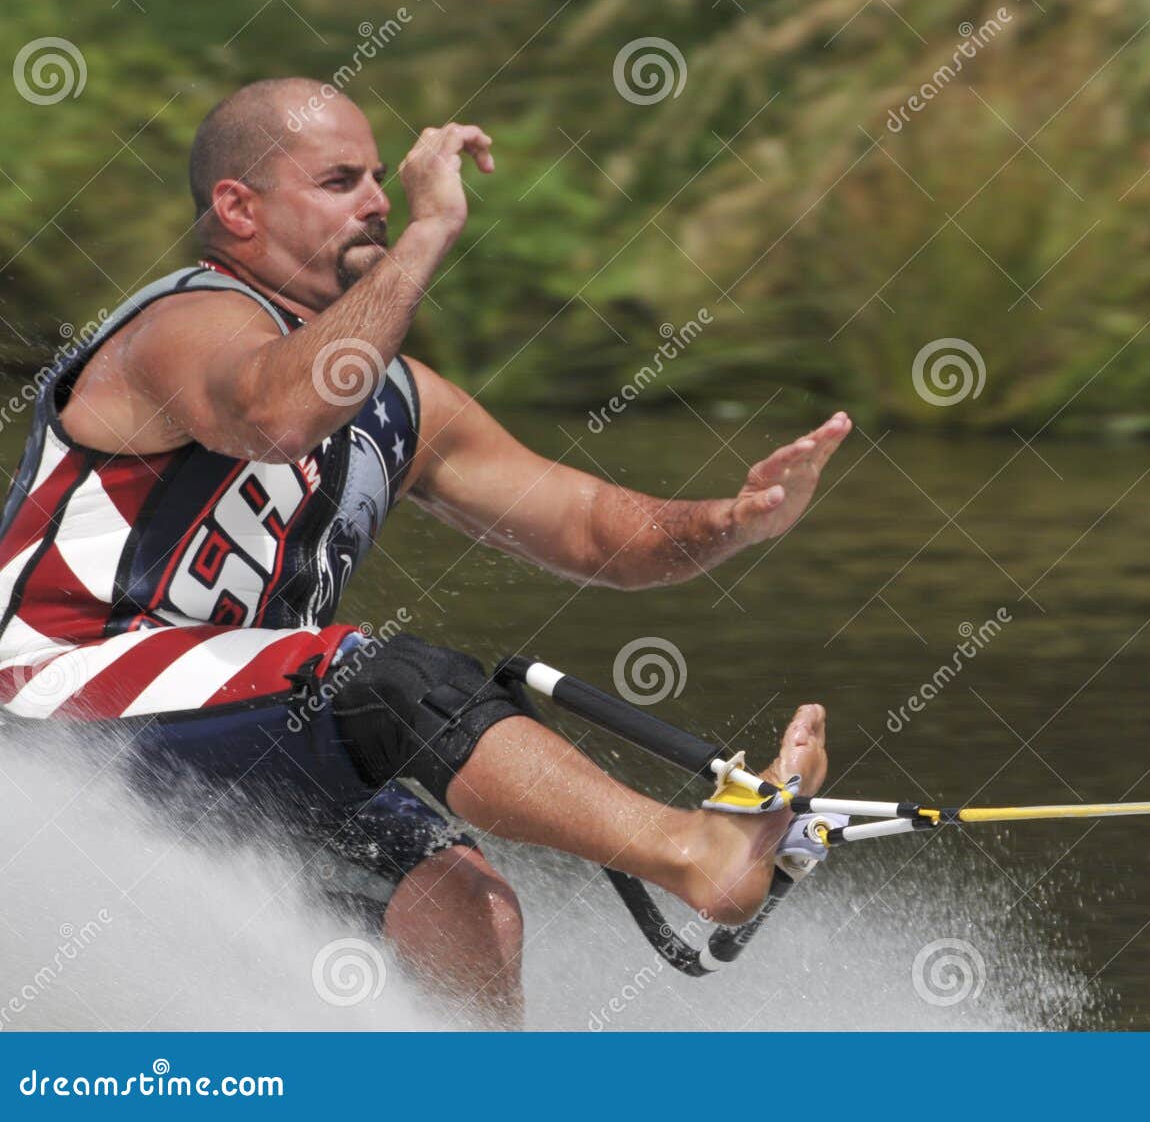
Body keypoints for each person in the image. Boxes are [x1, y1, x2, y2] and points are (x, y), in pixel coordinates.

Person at [0, 78, 850, 1026]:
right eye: (339, 181)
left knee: (464, 906)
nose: (378, 200)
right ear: (238, 209)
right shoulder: (183, 325)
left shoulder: (402, 401)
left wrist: (736, 519)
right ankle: (695, 851)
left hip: (234, 727)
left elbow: (595, 531)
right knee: (395, 682)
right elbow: (276, 415)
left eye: (379, 178)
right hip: (45, 705)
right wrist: (432, 229)